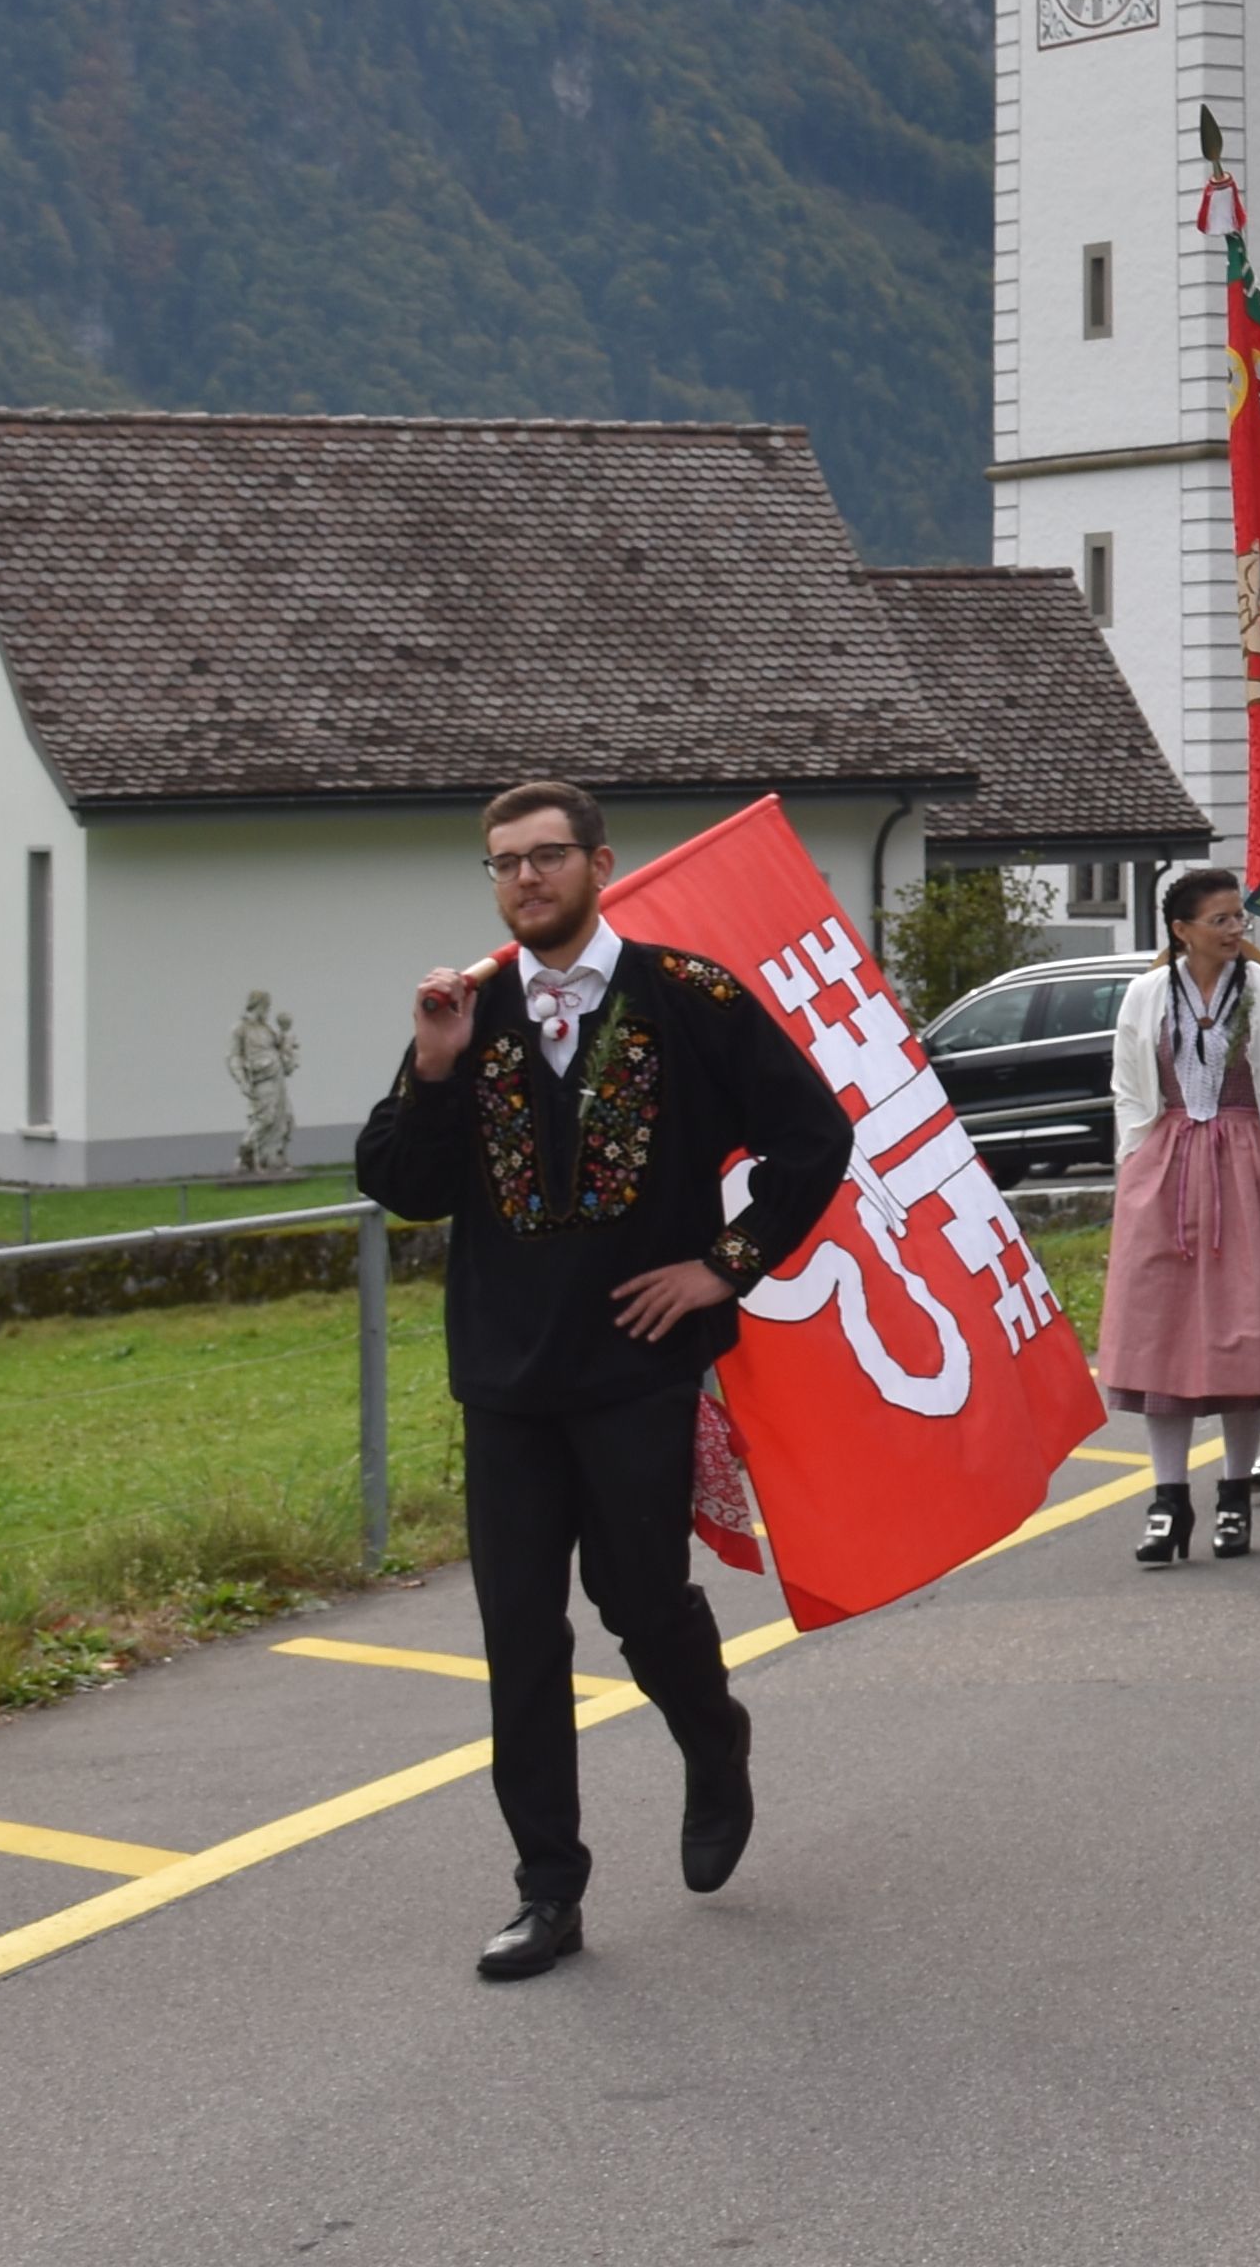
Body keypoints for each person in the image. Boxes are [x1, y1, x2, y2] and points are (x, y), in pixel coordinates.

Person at [353, 778, 852, 1985]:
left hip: (636, 1367)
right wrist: (430, 1066)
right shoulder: (466, 1014)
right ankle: (547, 1889)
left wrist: (722, 1267)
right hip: (507, 1377)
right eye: (503, 862)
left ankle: (711, 1731)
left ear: (597, 862)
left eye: (546, 856)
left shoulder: (690, 999)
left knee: (640, 1599)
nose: (524, 878)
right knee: (521, 1635)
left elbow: (814, 1137)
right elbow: (400, 1181)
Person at [1097, 868, 1260, 1569]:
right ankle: (1168, 1498)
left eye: (1239, 920)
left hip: (1248, 1162)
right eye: (1222, 920)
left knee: (1242, 1330)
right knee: (1159, 1330)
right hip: (1165, 1167)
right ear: (1182, 930)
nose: (1235, 932)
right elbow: (1128, 1092)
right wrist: (1134, 1172)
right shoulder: (1144, 995)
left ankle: (1234, 1493)